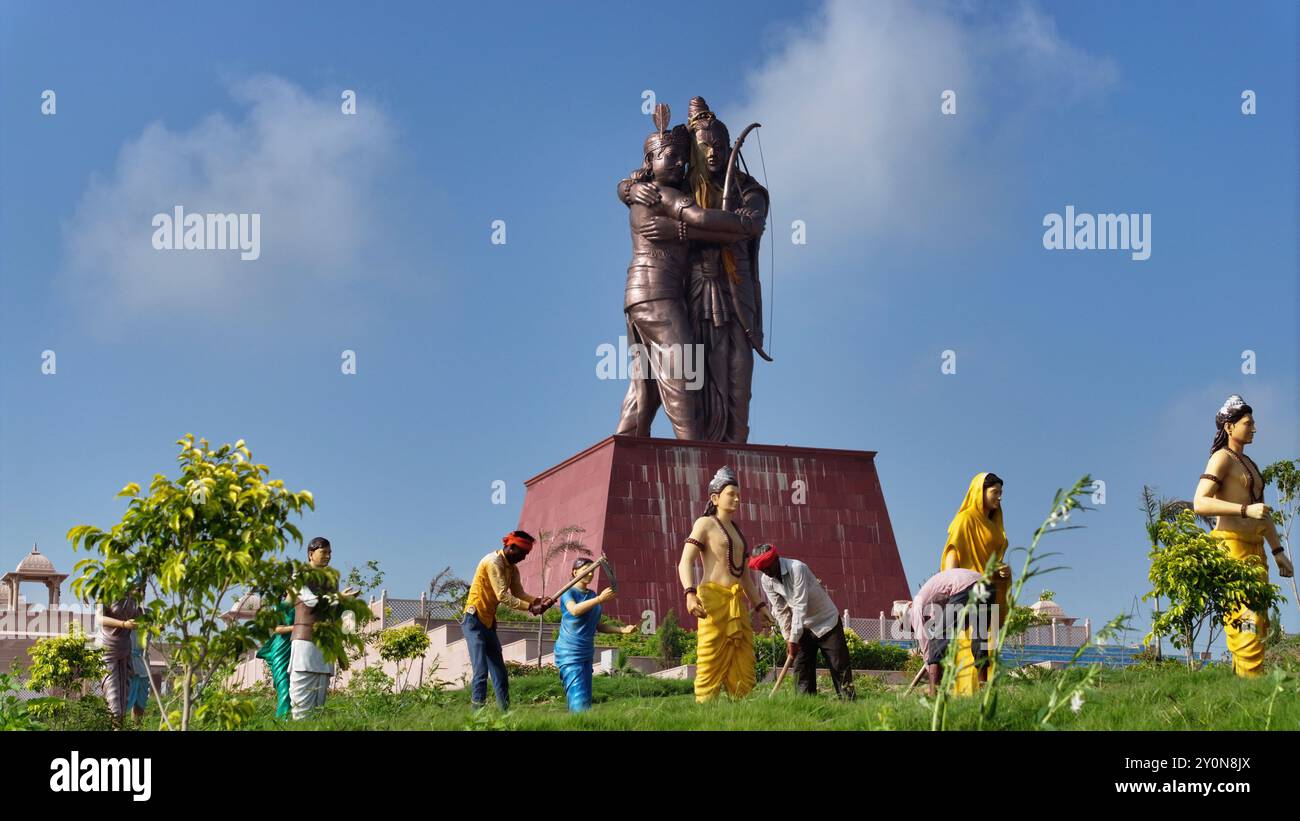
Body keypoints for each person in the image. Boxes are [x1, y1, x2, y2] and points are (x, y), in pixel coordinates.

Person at [615, 102, 758, 440]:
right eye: (703, 146)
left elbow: (741, 222)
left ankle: (624, 446)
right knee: (681, 370)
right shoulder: (663, 193)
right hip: (662, 294)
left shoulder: (739, 188)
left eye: (720, 146)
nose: (710, 153)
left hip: (689, 296)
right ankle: (693, 451)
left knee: (648, 379)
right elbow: (701, 218)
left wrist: (679, 231)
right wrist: (631, 185)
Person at [1193, 395, 1294, 676]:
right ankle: (1251, 684)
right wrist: (1244, 510)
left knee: (1258, 620)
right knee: (1244, 618)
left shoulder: (1248, 463)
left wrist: (1278, 552)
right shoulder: (1221, 458)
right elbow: (1200, 503)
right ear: (1229, 427)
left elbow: (1263, 514)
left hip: (1256, 550)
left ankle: (1246, 685)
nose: (1254, 428)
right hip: (1231, 548)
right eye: (1248, 423)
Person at [679, 466, 774, 702]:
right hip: (712, 600)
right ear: (715, 498)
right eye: (731, 493)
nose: (737, 498)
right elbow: (684, 562)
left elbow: (744, 577)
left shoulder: (738, 533)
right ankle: (705, 708)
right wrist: (690, 594)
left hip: (737, 603)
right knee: (710, 657)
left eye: (738, 494)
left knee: (744, 658)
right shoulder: (705, 524)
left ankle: (742, 710)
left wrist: (761, 607)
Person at [461, 531, 555, 711]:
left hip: (489, 622)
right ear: (511, 547)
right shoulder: (493, 562)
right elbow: (502, 596)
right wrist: (530, 608)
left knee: (500, 674)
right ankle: (476, 718)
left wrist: (538, 601)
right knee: (481, 672)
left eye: (526, 555)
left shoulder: (512, 569)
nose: (523, 558)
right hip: (473, 620)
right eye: (522, 554)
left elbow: (518, 593)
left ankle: (505, 713)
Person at [750, 544, 854, 699]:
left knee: (839, 667)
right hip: (802, 628)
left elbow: (800, 606)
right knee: (801, 671)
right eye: (762, 569)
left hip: (826, 622)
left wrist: (793, 639)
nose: (766, 572)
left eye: (768, 567)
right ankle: (805, 705)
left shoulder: (797, 568)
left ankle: (849, 703)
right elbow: (781, 611)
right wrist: (788, 639)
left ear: (776, 560)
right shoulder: (767, 580)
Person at [939, 472, 1009, 695]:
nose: (999, 498)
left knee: (984, 639)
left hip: (988, 587)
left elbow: (993, 558)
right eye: (994, 492)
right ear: (981, 492)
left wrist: (1001, 569)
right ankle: (939, 687)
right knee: (950, 634)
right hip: (965, 586)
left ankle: (983, 688)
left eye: (1001, 493)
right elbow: (953, 551)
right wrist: (951, 584)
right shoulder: (965, 519)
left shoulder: (993, 523)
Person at [554, 558, 638, 712]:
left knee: (585, 697)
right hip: (570, 652)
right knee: (578, 698)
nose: (591, 573)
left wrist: (621, 630)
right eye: (586, 569)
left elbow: (597, 625)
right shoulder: (568, 592)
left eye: (593, 570)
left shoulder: (591, 594)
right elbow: (574, 610)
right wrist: (599, 599)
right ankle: (579, 725)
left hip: (586, 652)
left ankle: (582, 725)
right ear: (575, 572)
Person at [290, 537, 359, 720]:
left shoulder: (331, 581)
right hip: (305, 641)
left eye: (330, 553)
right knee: (301, 703)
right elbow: (311, 602)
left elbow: (333, 615)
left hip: (325, 645)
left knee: (319, 703)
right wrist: (339, 597)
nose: (328, 556)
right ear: (311, 554)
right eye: (324, 552)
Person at [896, 568, 990, 698]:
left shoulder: (915, 608)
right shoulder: (930, 604)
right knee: (979, 640)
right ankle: (983, 692)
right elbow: (959, 623)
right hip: (986, 585)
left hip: (964, 587)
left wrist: (930, 664)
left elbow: (926, 644)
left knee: (936, 643)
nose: (911, 630)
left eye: (908, 627)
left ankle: (934, 695)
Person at [98, 593, 143, 729]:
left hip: (125, 652)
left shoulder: (134, 599)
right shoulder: (106, 590)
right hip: (107, 650)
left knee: (123, 705)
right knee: (114, 705)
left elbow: (140, 620)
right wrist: (123, 624)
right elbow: (99, 618)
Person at [125, 628, 150, 727]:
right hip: (127, 665)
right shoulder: (125, 614)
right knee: (120, 706)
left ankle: (136, 728)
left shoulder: (148, 615)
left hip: (143, 666)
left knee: (140, 705)